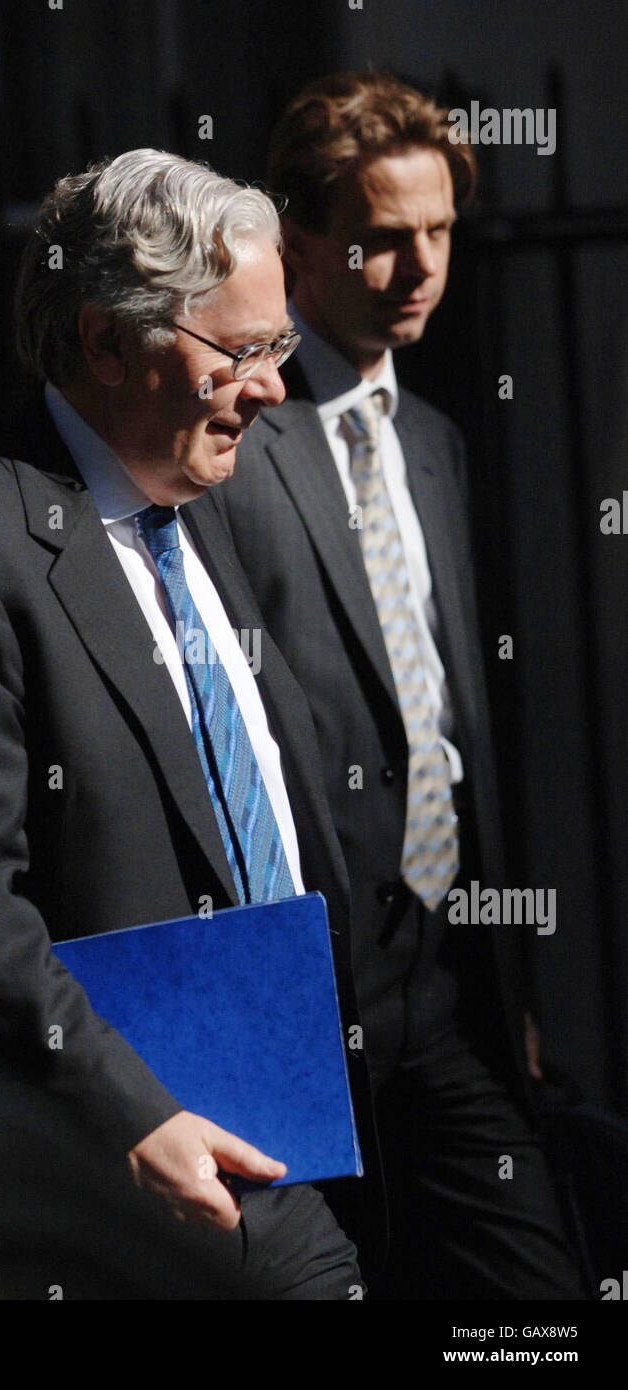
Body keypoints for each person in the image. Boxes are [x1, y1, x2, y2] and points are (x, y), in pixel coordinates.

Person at [0, 148, 382, 1300]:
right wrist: (132, 1121)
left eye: (279, 346)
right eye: (239, 352)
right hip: (114, 1190)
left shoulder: (205, 506)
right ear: (104, 343)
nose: (272, 387)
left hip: (294, 1149)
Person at [204, 74, 584, 1298]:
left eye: (438, 233)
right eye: (380, 237)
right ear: (303, 243)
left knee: (531, 1290)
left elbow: (447, 723)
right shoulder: (237, 442)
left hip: (447, 981)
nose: (417, 266)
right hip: (311, 988)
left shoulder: (431, 442)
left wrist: (496, 988)